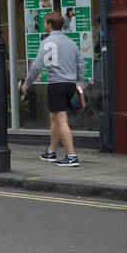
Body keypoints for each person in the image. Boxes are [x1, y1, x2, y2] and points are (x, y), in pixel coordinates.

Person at [21, 10, 85, 167]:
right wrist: (79, 81)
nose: (44, 25)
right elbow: (81, 63)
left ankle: (71, 157)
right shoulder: (70, 42)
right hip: (70, 85)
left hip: (56, 85)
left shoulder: (47, 42)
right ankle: (51, 152)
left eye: (45, 22)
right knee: (55, 118)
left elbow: (37, 66)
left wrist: (27, 83)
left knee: (61, 120)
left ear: (49, 25)